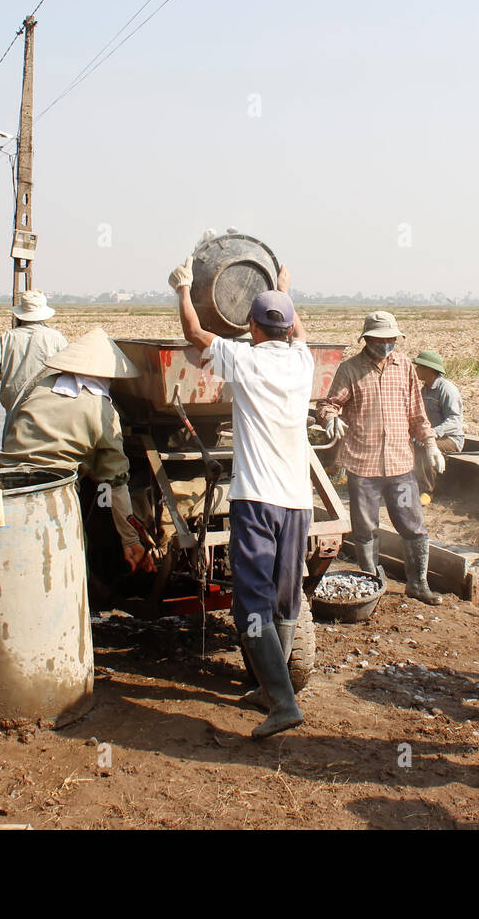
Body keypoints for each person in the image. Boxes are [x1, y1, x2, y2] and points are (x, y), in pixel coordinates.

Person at [170, 254, 313, 739]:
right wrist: (287, 290)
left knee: (251, 603)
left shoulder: (245, 359)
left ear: (250, 325)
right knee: (284, 597)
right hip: (299, 500)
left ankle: (282, 701)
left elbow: (194, 333)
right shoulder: (303, 361)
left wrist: (184, 288)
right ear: (289, 326)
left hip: (256, 499)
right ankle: (266, 685)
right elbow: (298, 331)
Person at [0, 328, 153, 577]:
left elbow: (12, 428)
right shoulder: (101, 410)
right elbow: (116, 483)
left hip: (3, 486)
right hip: (51, 493)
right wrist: (130, 540)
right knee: (68, 562)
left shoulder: (39, 386)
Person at [319, 312, 445, 606]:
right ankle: (372, 586)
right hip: (363, 465)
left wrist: (430, 444)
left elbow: (416, 413)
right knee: (365, 528)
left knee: (413, 524)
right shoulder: (350, 369)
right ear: (368, 340)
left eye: (391, 339)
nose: (387, 344)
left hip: (400, 463)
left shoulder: (404, 368)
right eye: (380, 340)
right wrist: (330, 418)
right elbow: (329, 403)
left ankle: (418, 583)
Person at [0, 290, 67, 411]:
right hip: (44, 400)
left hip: (13, 401)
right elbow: (66, 370)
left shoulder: (8, 337)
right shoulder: (56, 338)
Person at [411, 350, 464, 505]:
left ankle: (427, 491)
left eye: (419, 367)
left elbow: (455, 421)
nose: (416, 370)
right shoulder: (424, 390)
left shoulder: (447, 390)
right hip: (431, 436)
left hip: (451, 439)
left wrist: (434, 433)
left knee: (423, 447)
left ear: (429, 369)